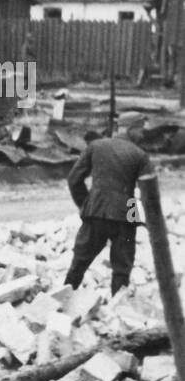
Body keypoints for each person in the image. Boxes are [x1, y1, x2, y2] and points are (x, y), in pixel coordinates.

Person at [63, 117, 151, 295]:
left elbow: (74, 179)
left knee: (79, 263)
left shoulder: (96, 146)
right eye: (140, 130)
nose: (142, 135)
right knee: (122, 268)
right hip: (125, 217)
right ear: (130, 129)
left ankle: (60, 304)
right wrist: (142, 219)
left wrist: (86, 204)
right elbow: (148, 193)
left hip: (95, 212)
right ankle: (116, 311)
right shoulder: (140, 155)